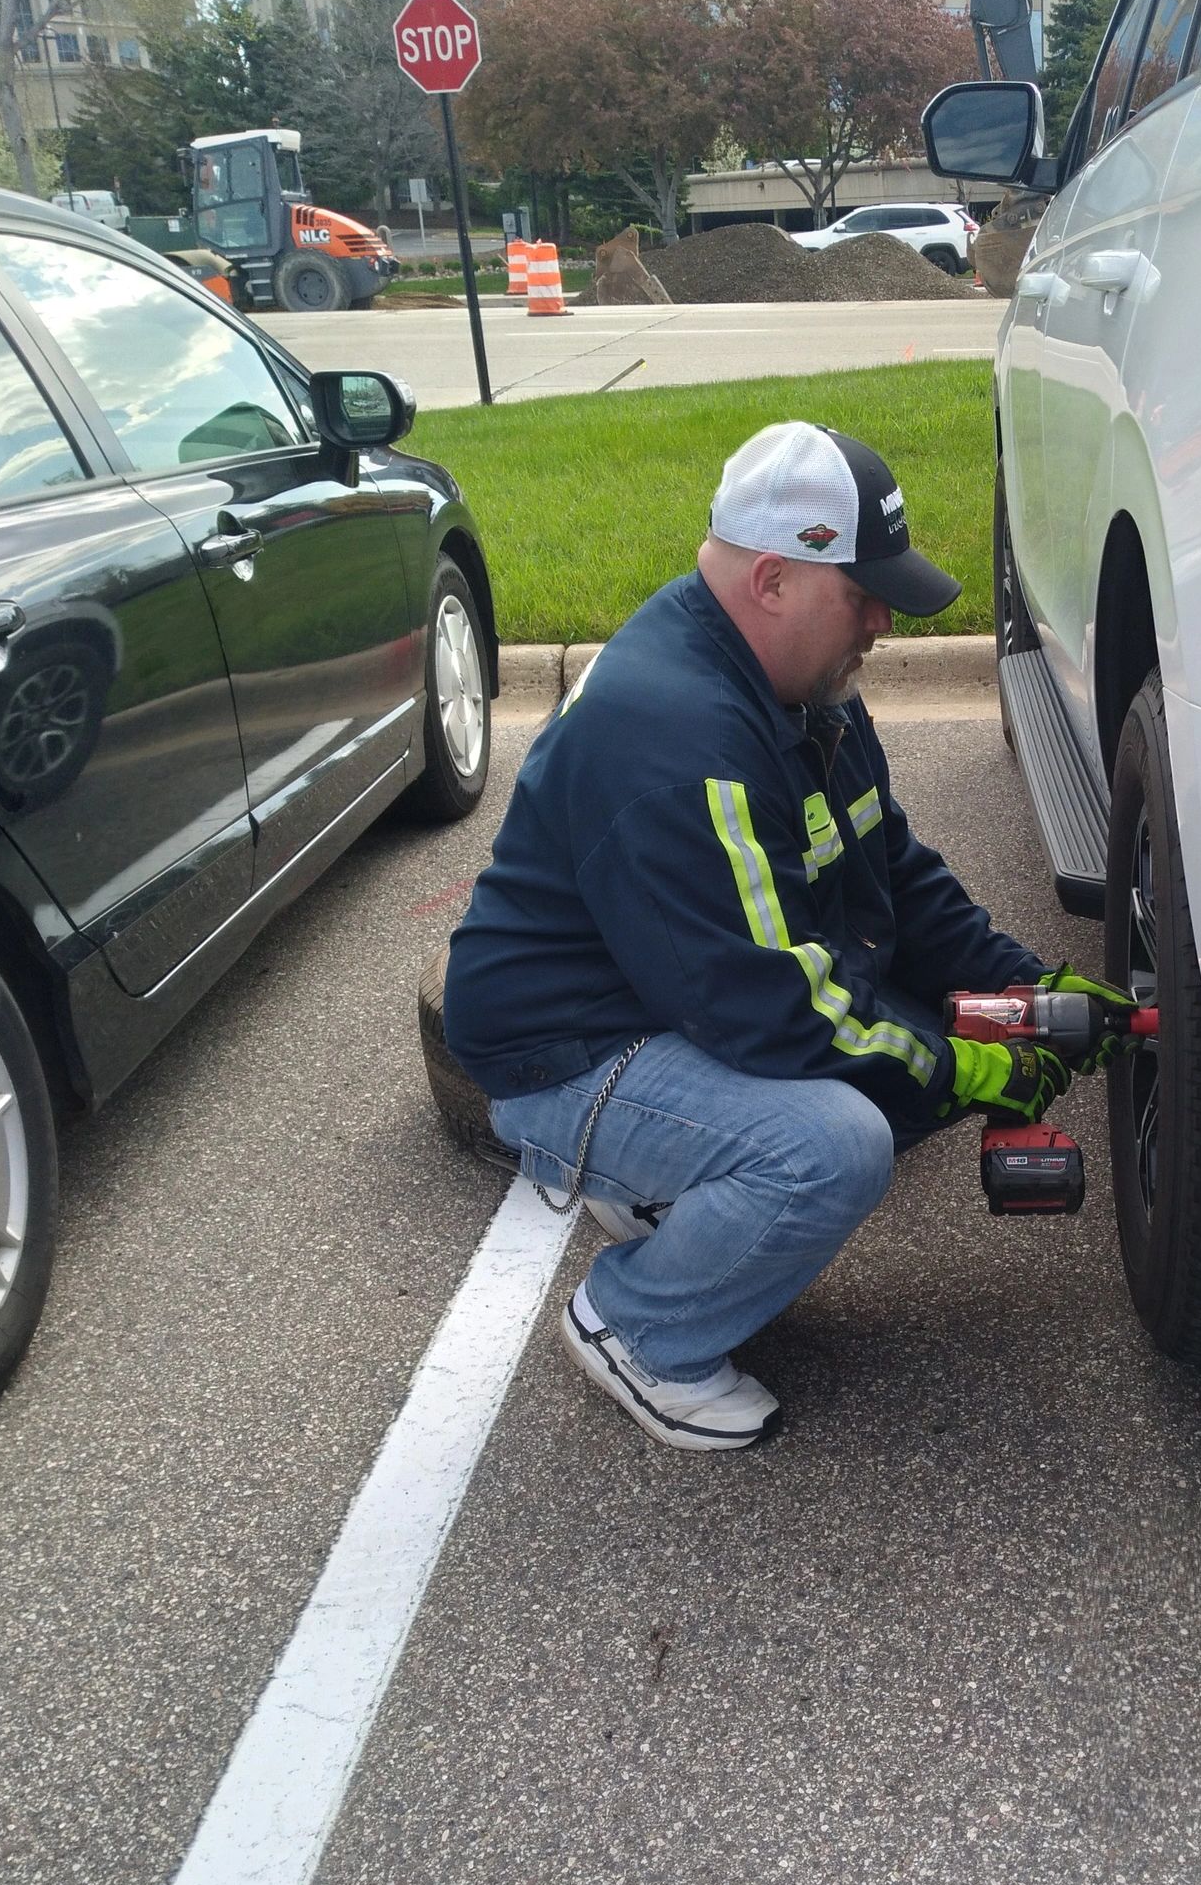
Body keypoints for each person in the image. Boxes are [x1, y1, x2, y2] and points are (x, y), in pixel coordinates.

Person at [443, 420, 1127, 1451]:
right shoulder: (681, 741)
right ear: (774, 581)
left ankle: (680, 1192)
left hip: (660, 997)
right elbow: (769, 1009)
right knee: (836, 1144)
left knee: (902, 1049)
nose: (884, 618)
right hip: (567, 1054)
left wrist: (1028, 992)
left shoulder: (801, 695)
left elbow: (893, 872)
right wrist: (958, 1070)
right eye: (864, 593)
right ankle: (638, 1326)